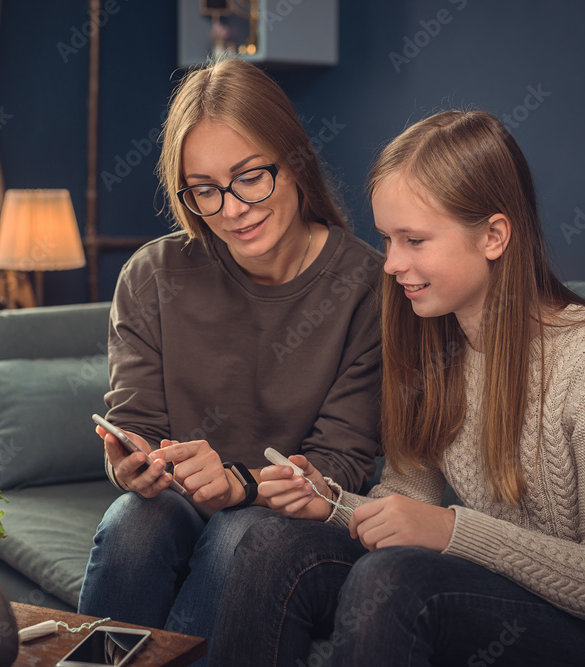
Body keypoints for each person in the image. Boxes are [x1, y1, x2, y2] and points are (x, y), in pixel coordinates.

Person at [208, 109, 585, 666]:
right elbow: (407, 501)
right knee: (274, 542)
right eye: (387, 239)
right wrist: (329, 503)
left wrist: (452, 529)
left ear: (494, 236)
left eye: (414, 240)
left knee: (395, 580)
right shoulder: (432, 341)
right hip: (491, 585)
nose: (391, 264)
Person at [76, 57, 384, 659]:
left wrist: (238, 485)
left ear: (294, 161)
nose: (233, 208)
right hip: (178, 505)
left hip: (287, 518)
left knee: (238, 536)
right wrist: (131, 465)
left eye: (250, 177)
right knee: (131, 524)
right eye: (205, 190)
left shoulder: (368, 287)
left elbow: (338, 466)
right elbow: (136, 423)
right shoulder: (152, 275)